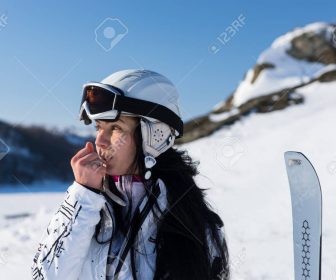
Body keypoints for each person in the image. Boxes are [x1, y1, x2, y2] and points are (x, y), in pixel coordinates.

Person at [31, 69, 229, 279]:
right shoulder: (87, 210)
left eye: (116, 128)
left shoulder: (200, 226)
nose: (100, 141)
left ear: (154, 135)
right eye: (99, 127)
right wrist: (83, 197)